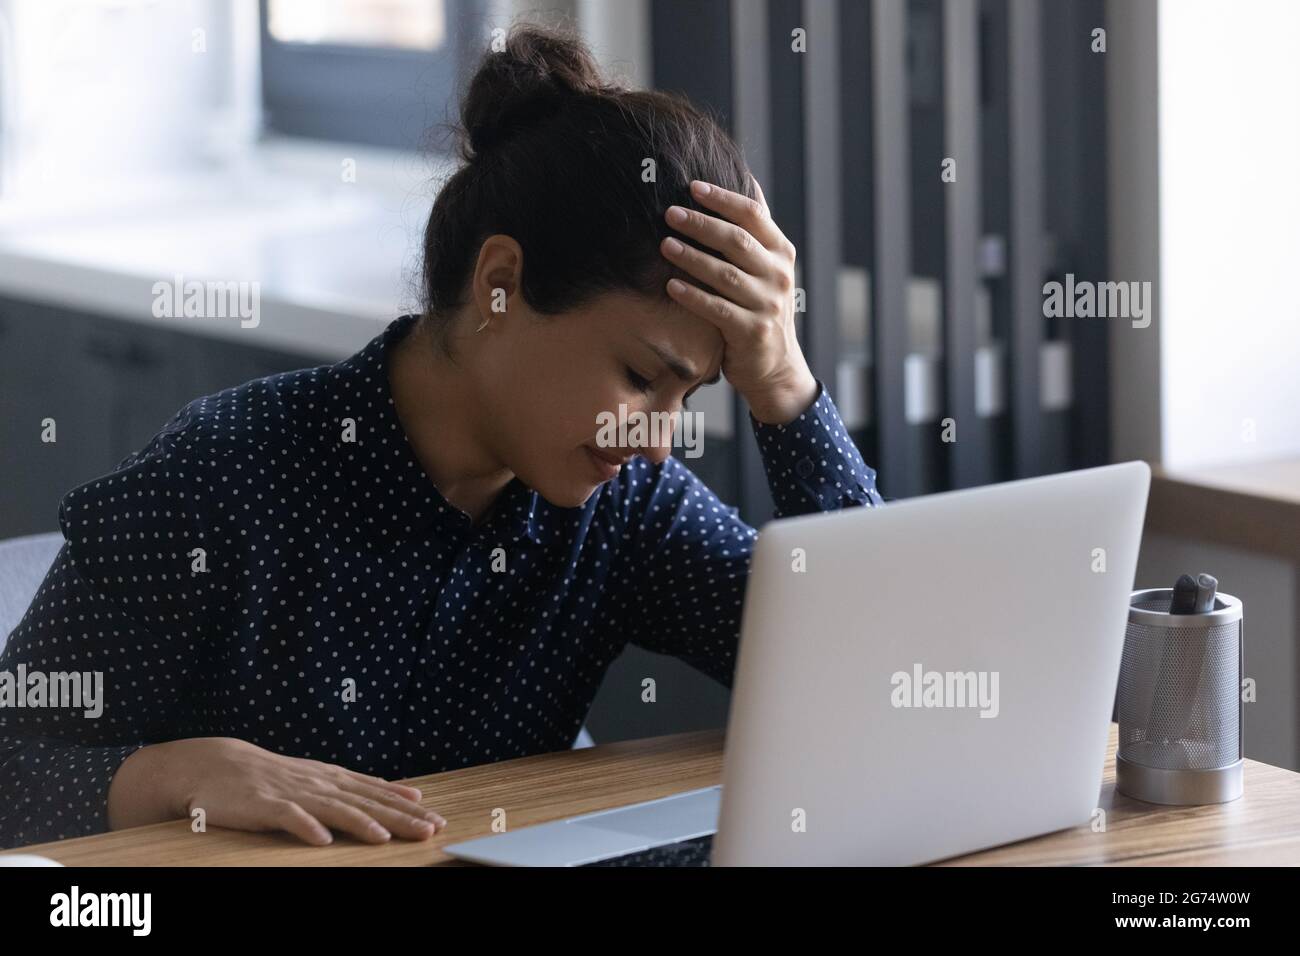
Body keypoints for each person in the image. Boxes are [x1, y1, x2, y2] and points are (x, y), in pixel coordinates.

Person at [0, 23, 883, 850]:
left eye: (691, 392)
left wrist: (783, 387)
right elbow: (11, 769)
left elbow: (873, 689)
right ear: (500, 282)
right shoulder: (223, 476)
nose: (658, 441)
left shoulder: (626, 506)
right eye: (642, 377)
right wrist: (165, 775)